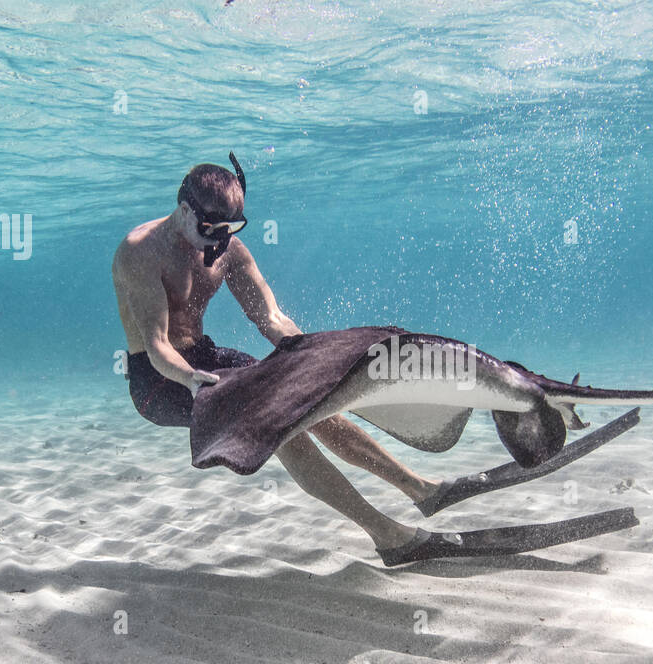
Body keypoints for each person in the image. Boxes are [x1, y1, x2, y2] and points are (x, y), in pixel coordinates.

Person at [112, 154, 437, 552]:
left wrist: (314, 358)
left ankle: (422, 490)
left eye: (229, 229)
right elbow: (158, 345)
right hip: (159, 381)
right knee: (278, 430)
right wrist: (191, 380)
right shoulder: (141, 252)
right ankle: (389, 536)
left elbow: (271, 318)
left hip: (205, 356)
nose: (220, 240)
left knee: (310, 407)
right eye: (210, 229)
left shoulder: (228, 248)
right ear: (184, 211)